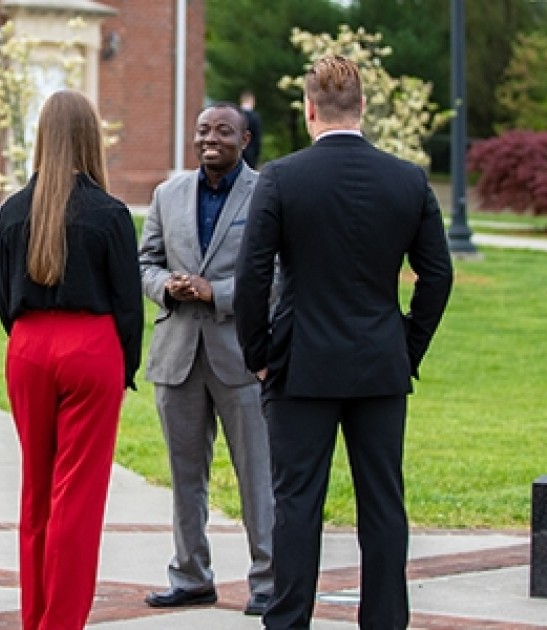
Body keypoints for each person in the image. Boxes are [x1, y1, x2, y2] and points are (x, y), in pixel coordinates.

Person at [234, 54, 453, 630]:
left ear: (309, 110)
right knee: (383, 503)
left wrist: (258, 354)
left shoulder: (282, 176)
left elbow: (253, 275)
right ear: (362, 108)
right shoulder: (407, 180)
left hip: (300, 364)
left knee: (298, 504)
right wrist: (407, 344)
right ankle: (384, 622)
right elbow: (438, 275)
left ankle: (287, 622)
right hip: (379, 363)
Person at [0, 90, 143, 630]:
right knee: (76, 497)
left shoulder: (12, 211)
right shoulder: (110, 213)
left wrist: (30, 340)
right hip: (90, 346)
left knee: (36, 490)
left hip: (29, 347)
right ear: (90, 137)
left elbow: (1, 299)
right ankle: (62, 623)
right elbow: (129, 303)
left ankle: (35, 619)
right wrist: (124, 367)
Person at [137, 101, 275, 616]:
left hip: (240, 356)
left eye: (222, 130)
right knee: (184, 472)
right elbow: (145, 261)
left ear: (244, 139)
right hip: (177, 356)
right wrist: (168, 289)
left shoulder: (266, 193)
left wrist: (214, 292)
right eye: (202, 130)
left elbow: (280, 274)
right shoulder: (167, 194)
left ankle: (268, 581)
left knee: (256, 473)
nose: (208, 138)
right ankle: (191, 574)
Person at [240, 90, 262, 168]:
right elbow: (257, 138)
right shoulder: (255, 117)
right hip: (251, 153)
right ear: (252, 101)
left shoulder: (237, 115)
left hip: (238, 152)